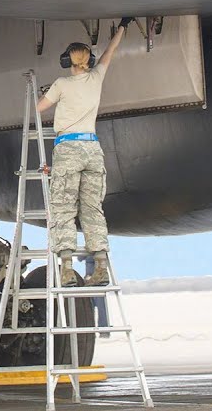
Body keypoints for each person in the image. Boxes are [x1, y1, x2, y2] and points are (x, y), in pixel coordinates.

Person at [36, 17, 133, 287]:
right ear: (88, 60)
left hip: (68, 147)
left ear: (67, 61)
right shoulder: (96, 78)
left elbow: (39, 108)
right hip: (92, 148)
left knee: (64, 208)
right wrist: (122, 28)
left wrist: (44, 95)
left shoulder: (61, 84)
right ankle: (100, 265)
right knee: (92, 208)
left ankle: (66, 269)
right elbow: (109, 54)